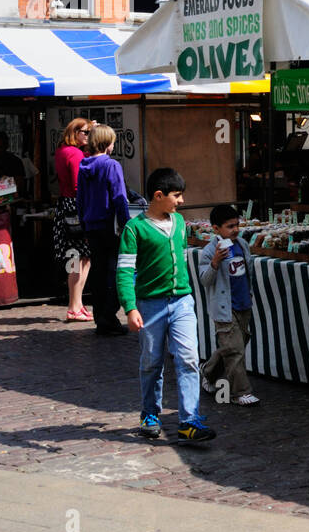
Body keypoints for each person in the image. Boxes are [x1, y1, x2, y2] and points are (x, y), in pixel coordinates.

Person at [118, 168, 216, 443]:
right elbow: (124, 271)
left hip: (182, 302)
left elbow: (181, 258)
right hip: (150, 306)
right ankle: (150, 413)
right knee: (151, 362)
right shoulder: (134, 229)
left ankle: (189, 421)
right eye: (177, 195)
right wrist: (130, 307)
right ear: (158, 196)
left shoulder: (181, 224)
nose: (181, 201)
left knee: (188, 358)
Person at [198, 205, 259, 407]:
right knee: (234, 350)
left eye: (237, 224)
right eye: (229, 226)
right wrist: (215, 262)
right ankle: (240, 392)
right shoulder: (209, 251)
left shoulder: (242, 243)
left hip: (243, 304)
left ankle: (207, 371)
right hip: (224, 308)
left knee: (234, 345)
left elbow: (247, 272)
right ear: (216, 229)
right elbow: (204, 280)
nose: (235, 229)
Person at [77, 124, 130, 336]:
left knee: (98, 272)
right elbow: (119, 197)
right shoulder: (111, 165)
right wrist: (127, 223)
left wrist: (83, 225)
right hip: (110, 225)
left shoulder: (83, 165)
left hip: (91, 225)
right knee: (116, 271)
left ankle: (100, 315)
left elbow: (80, 199)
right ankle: (109, 316)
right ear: (108, 143)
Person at [54, 118, 93, 322]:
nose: (88, 135)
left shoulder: (62, 151)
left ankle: (77, 304)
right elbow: (79, 186)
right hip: (76, 208)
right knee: (79, 259)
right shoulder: (74, 154)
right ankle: (73, 306)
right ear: (75, 132)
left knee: (79, 258)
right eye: (85, 132)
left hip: (65, 205)